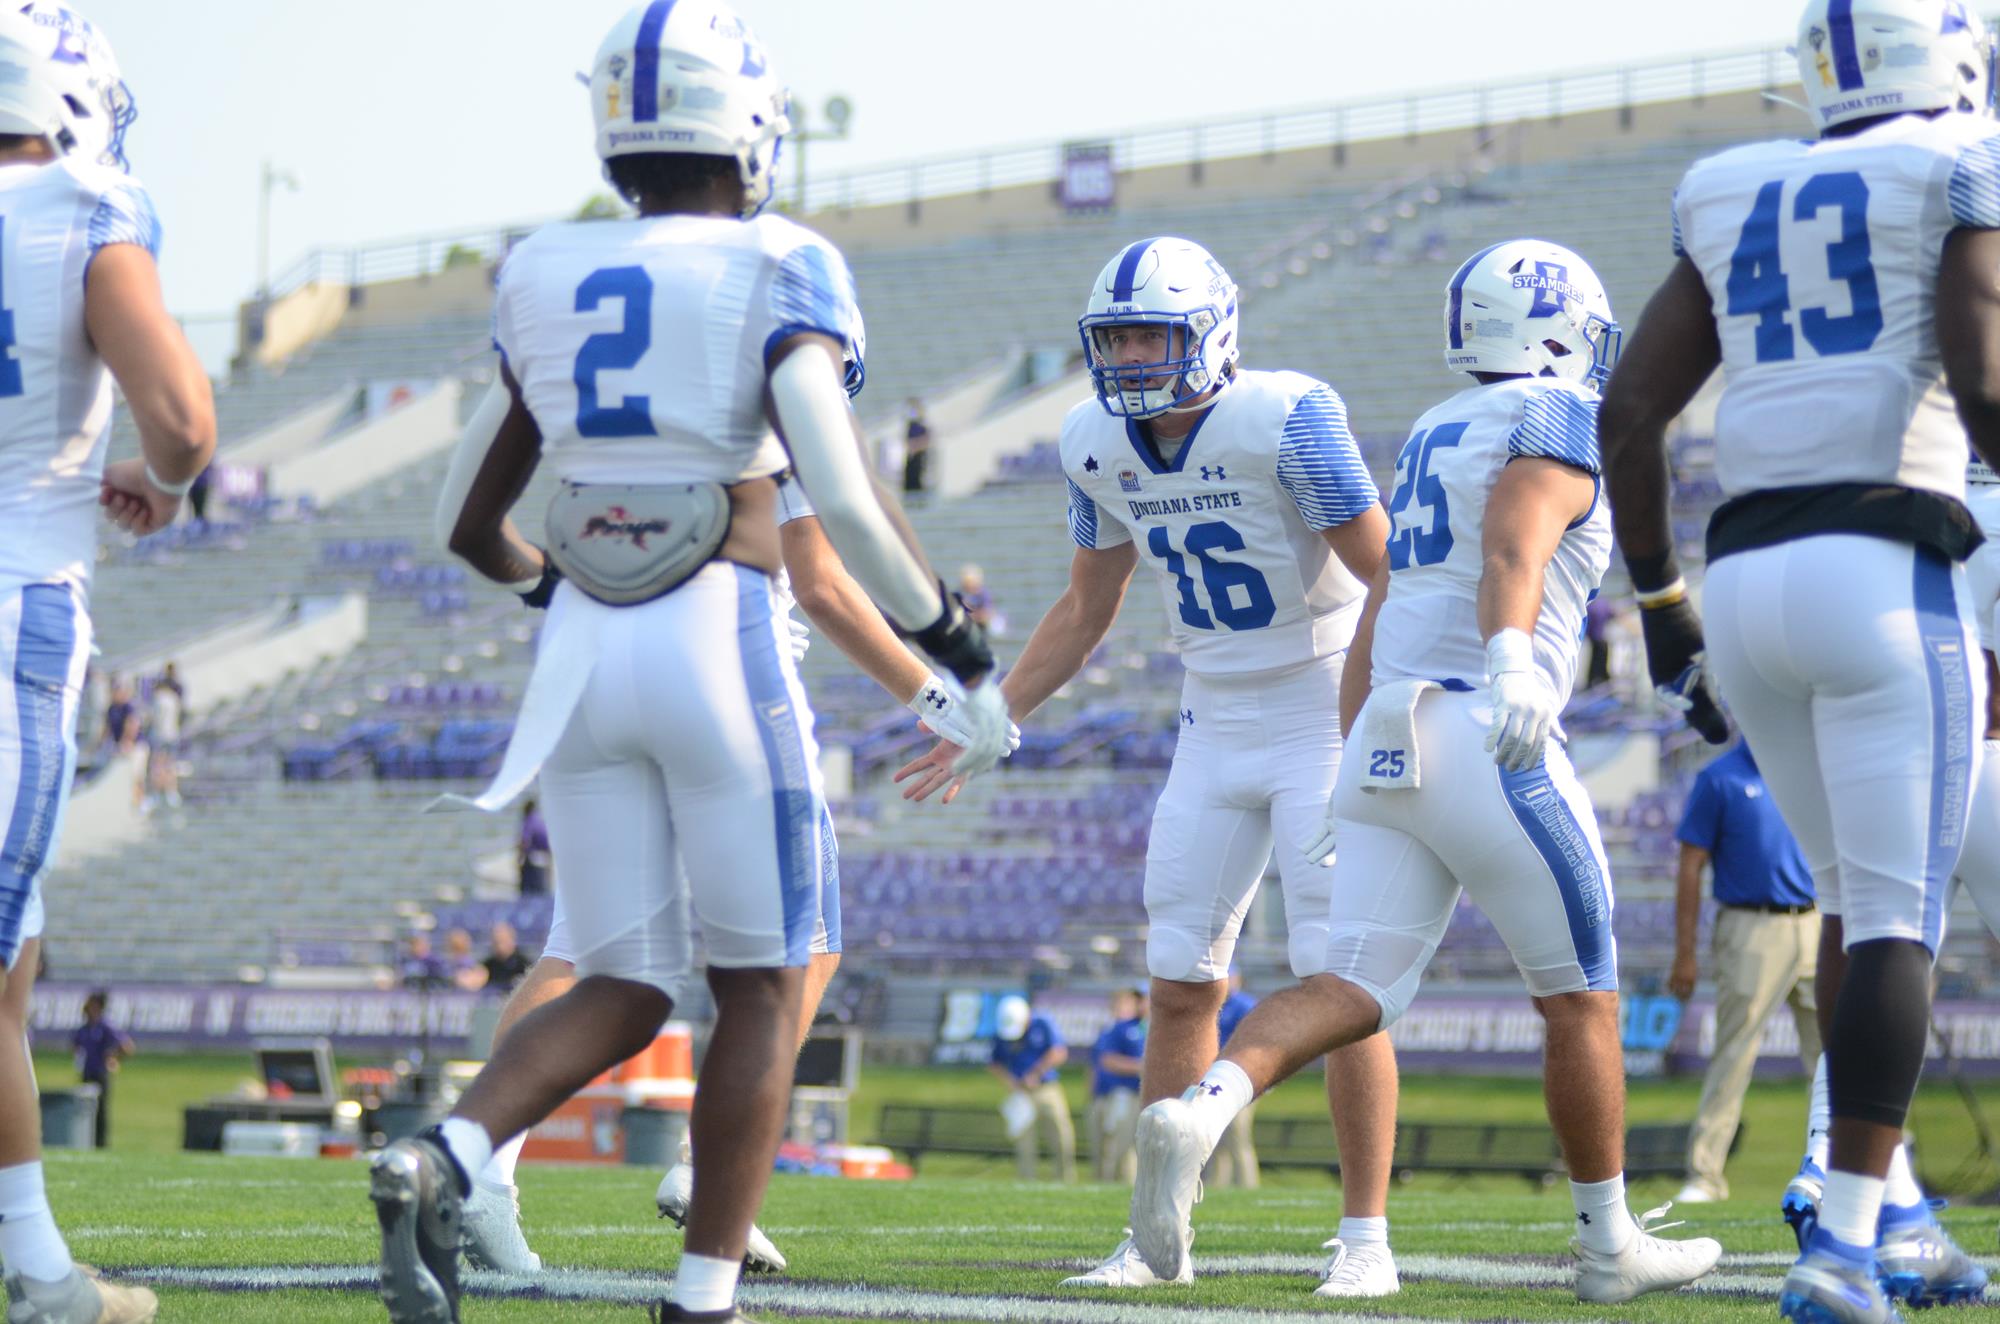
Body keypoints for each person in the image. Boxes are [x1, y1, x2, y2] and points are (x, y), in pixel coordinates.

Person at [373, 7, 1012, 1322]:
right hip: (720, 636)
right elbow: (832, 484)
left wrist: (566, 586)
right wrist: (947, 634)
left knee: (619, 978)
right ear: (752, 125)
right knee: (765, 986)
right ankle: (705, 1291)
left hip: (581, 656)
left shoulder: (542, 269)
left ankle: (442, 1151)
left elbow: (462, 518)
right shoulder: (783, 263)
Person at [1128, 240, 1725, 1307]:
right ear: (1556, 328)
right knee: (1581, 996)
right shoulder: (1551, 414)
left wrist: (1352, 749)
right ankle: (1604, 1243)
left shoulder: (1431, 432)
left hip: (1388, 728)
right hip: (1484, 725)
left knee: (1352, 983)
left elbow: (1385, 604)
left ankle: (1200, 1108)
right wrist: (1508, 659)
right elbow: (1513, 542)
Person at [898, 235, 1404, 1298]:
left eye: (1150, 335)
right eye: (1115, 337)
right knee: (1178, 978)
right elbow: (1088, 603)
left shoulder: (1284, 416)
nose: (1129, 357)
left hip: (1321, 702)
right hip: (1211, 715)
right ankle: (1153, 1240)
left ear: (1211, 332)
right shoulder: (1094, 440)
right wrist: (995, 712)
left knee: (1340, 981)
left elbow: (1387, 574)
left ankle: (1364, 1240)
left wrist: (1373, 719)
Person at [1597, 2, 1998, 1315]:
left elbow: (1632, 410)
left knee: (1856, 903)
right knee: (1898, 920)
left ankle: (1877, 1218)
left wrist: (1661, 602)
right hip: (1883, 567)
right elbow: (1988, 385)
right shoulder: (1956, 164)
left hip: (1745, 580)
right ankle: (1840, 1254)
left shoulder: (1727, 183)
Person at [452, 474, 1014, 1279]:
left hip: (599, 675)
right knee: (800, 959)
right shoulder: (765, 396)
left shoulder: (631, 391)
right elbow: (822, 582)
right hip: (733, 696)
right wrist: (946, 692)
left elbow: (479, 527)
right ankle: (709, 1174)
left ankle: (480, 1168)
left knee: (581, 953)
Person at [0, 7, 213, 1321]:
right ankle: (35, 1275)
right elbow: (182, 415)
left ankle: (35, 1265)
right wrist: (168, 481)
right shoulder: (84, 205)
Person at [1669, 740, 1821, 1205]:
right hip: (1750, 926)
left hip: (1817, 921)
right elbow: (1690, 866)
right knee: (1735, 1052)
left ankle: (1838, 1170)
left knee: (1834, 1058)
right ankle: (1705, 1174)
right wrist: (1685, 952)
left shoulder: (1809, 766)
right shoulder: (1720, 777)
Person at [987, 994, 1076, 1183]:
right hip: (1020, 1093)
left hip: (1046, 1088)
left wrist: (1036, 1073)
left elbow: (1059, 1052)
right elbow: (995, 1063)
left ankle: (1065, 1178)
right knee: (1024, 1141)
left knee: (1060, 1134)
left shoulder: (1043, 1023)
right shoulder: (1001, 1031)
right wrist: (1010, 1081)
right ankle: (1026, 1180)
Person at [1205, 970, 1259, 1188]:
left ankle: (1247, 1185)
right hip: (1215, 1078)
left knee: (1237, 1136)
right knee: (1215, 1137)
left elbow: (1252, 1043)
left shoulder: (1244, 1005)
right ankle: (1217, 1186)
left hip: (1239, 1079)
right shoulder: (1215, 1005)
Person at [1087, 988, 1146, 1183]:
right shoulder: (1111, 1029)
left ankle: (1121, 1185)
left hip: (1125, 1094)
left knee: (1121, 1147)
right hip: (1103, 1093)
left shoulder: (1138, 1029)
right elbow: (1098, 1063)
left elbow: (1111, 1060)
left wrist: (1138, 1066)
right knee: (1101, 1146)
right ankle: (1104, 1183)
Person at [71, 991, 131, 1150]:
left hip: (100, 1073)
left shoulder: (106, 1026)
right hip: (86, 1072)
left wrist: (114, 1059)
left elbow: (126, 1046)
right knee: (84, 1109)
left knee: (100, 1111)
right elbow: (76, 1046)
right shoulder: (84, 1028)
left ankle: (101, 1144)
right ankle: (85, 1140)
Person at [144, 661, 182, 809]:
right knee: (170, 764)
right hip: (171, 734)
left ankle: (157, 792)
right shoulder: (174, 698)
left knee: (158, 765)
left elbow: (153, 718)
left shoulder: (158, 699)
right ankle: (171, 791)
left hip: (160, 735)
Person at [479, 922, 531, 993]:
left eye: (502, 940)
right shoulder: (487, 966)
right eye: (496, 942)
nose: (499, 946)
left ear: (512, 940)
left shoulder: (525, 964)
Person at [515, 798, 549, 896]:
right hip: (542, 858)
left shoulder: (529, 821)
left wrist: (519, 857)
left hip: (532, 859)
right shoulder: (539, 820)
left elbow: (525, 841)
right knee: (540, 890)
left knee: (529, 891)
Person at [902, 398, 931, 495]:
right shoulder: (910, 427)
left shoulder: (922, 427)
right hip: (912, 459)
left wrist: (916, 446)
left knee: (917, 480)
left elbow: (925, 441)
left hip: (918, 459)